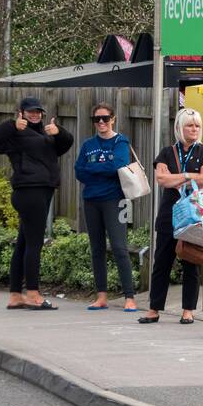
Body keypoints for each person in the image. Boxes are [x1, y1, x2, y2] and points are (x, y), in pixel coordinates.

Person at [0, 97, 75, 311]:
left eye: (38, 112)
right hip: (29, 191)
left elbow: (66, 143)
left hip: (42, 190)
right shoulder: (14, 134)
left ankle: (16, 295)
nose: (34, 115)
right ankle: (33, 294)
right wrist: (11, 125)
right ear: (21, 112)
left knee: (24, 243)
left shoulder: (46, 133)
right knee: (35, 243)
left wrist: (59, 132)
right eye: (30, 111)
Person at [143, 107, 203, 324]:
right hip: (169, 214)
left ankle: (188, 310)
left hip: (194, 214)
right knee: (162, 261)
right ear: (179, 128)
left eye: (197, 125)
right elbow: (161, 180)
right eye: (189, 125)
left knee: (191, 261)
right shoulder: (166, 152)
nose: (194, 129)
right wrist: (190, 175)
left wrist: (178, 176)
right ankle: (154, 308)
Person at [75, 101, 138, 312]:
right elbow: (78, 171)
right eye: (96, 119)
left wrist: (93, 168)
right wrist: (102, 169)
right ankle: (101, 296)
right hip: (91, 200)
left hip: (115, 200)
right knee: (97, 248)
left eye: (105, 118)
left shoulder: (121, 141)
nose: (101, 122)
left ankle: (129, 297)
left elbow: (118, 165)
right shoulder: (87, 145)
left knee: (120, 247)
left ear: (113, 119)